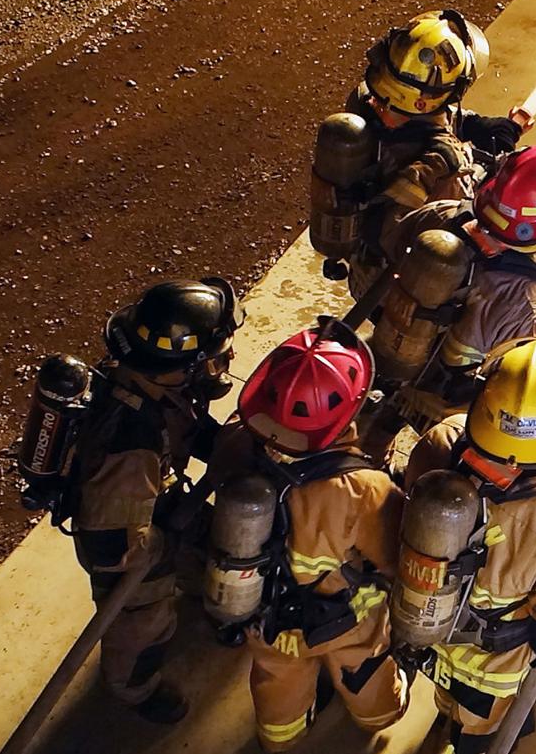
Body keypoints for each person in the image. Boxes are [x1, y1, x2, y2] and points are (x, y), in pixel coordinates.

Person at [204, 318, 408, 751]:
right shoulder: (363, 488)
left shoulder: (236, 441)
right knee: (368, 679)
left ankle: (280, 738)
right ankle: (377, 715)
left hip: (268, 621)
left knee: (277, 682)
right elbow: (394, 557)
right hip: (346, 623)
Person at [404, 337, 536, 753]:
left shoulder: (441, 441)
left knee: (446, 704)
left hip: (421, 633)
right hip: (487, 677)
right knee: (477, 737)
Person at [71, 277, 244, 722]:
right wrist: (165, 541)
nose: (227, 361)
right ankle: (135, 688)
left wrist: (227, 444)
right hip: (128, 547)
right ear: (185, 365)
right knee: (142, 623)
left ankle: (192, 577)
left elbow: (184, 428)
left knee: (221, 550)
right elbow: (110, 548)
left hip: (152, 509)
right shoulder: (129, 444)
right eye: (217, 356)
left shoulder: (152, 383)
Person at [359, 144, 536, 455]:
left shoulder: (442, 215)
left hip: (386, 360)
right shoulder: (526, 302)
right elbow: (519, 384)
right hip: (443, 410)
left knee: (369, 435)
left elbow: (388, 248)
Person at [343, 9, 527, 297]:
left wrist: (495, 128)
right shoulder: (446, 165)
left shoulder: (364, 101)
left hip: (360, 267)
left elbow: (424, 119)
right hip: (394, 294)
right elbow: (449, 236)